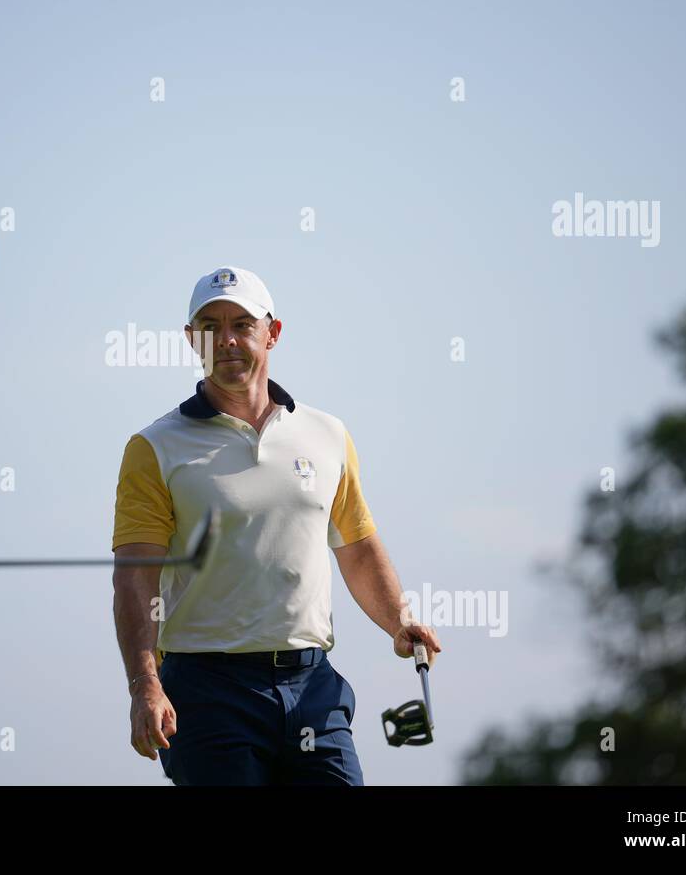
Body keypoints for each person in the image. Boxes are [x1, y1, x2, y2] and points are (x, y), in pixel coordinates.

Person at [112, 265, 442, 785]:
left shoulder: (327, 434)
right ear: (190, 339)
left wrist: (398, 621)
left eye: (242, 323)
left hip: (314, 687)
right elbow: (135, 576)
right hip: (207, 690)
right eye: (210, 326)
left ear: (273, 332)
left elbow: (356, 546)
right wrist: (144, 685)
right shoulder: (154, 447)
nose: (227, 340)